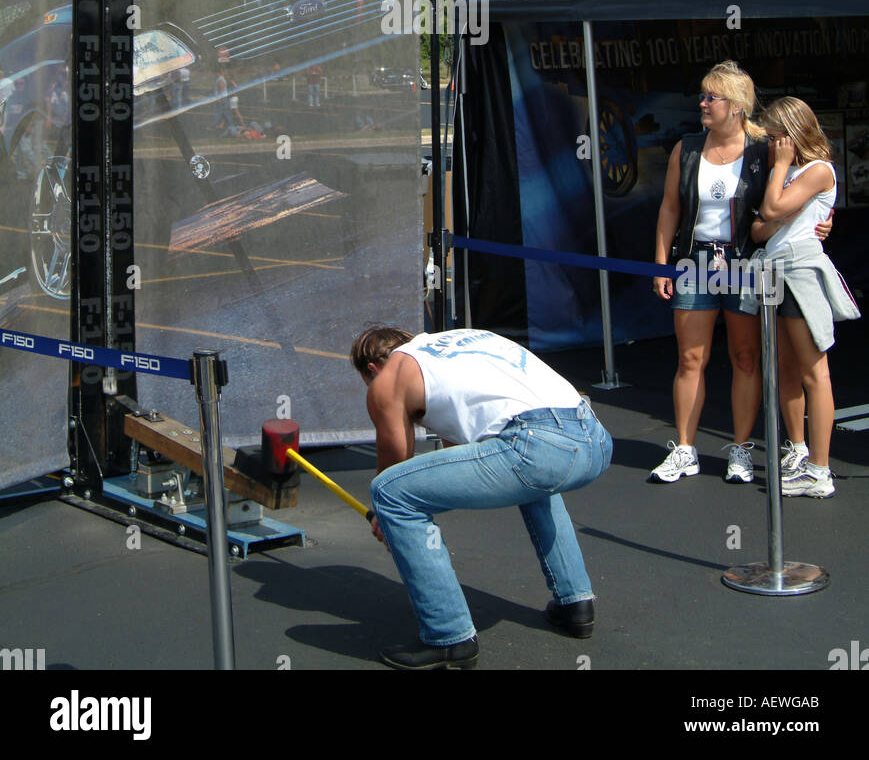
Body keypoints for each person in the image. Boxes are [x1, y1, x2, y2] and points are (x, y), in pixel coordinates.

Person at [350, 324, 612, 671]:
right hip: (594, 439)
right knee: (535, 482)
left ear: (371, 370)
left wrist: (384, 518)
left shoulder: (388, 379)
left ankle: (449, 637)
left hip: (539, 445)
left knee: (389, 493)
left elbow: (394, 468)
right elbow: (462, 454)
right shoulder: (457, 344)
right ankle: (575, 605)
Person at [650, 61, 831, 485]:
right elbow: (670, 208)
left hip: (747, 261)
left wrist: (825, 218)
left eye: (712, 97)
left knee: (746, 357)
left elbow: (803, 187)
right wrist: (660, 262)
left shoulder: (765, 147)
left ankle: (742, 450)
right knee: (691, 357)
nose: (703, 103)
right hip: (694, 260)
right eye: (703, 95)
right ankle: (685, 448)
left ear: (736, 106)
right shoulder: (687, 148)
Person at [750, 98, 859, 499]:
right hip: (776, 269)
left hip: (800, 270)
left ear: (794, 133)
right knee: (784, 367)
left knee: (815, 371)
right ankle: (798, 449)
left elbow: (771, 208)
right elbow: (759, 229)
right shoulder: (796, 172)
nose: (773, 143)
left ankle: (820, 469)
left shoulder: (816, 170)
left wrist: (779, 180)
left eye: (778, 135)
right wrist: (776, 211)